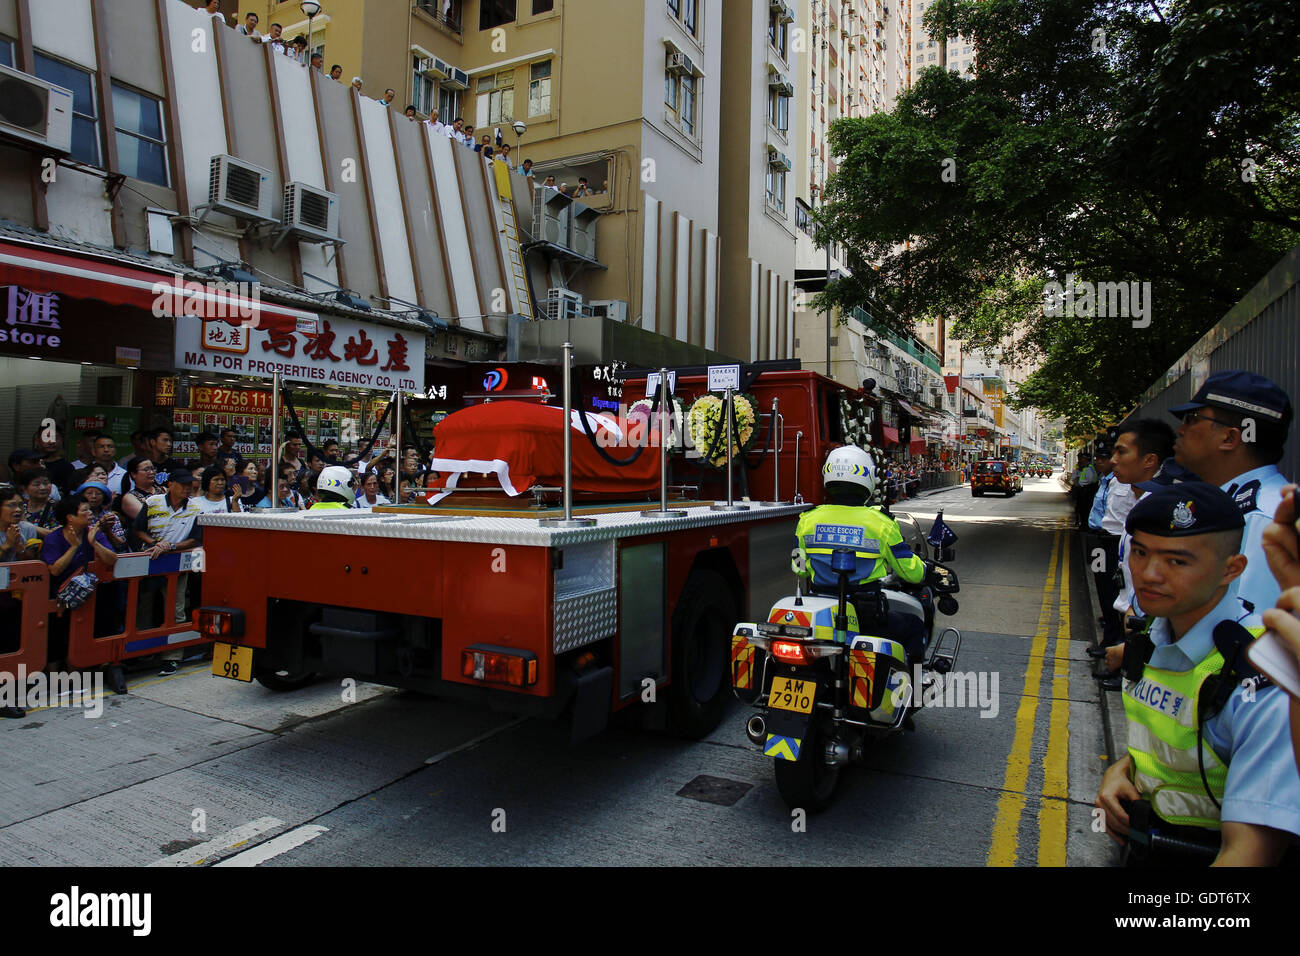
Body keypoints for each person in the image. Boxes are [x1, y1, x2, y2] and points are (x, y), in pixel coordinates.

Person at [1095, 481, 1300, 866]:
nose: (1149, 574)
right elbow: (1175, 737)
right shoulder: (1152, 636)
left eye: (1177, 561)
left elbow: (1248, 853)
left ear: (1231, 569)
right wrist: (1122, 769)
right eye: (1140, 552)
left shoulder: (1262, 674)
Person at [1170, 370, 1293, 628]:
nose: (1181, 429)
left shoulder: (1263, 519)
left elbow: (1246, 636)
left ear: (1229, 438)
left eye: (1192, 418)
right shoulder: (1231, 505)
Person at [791, 446, 928, 663]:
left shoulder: (807, 520)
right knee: (914, 626)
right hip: (866, 616)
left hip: (821, 615)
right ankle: (914, 689)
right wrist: (924, 570)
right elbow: (910, 572)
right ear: (868, 479)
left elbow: (799, 567)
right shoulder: (881, 523)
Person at [131, 468, 203, 674]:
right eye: (183, 485)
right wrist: (155, 544)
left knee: (175, 608)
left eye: (191, 486)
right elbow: (138, 529)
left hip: (176, 563)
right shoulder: (152, 502)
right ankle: (142, 652)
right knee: (144, 606)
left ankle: (172, 656)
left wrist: (170, 547)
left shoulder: (196, 508)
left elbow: (196, 538)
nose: (188, 489)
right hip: (149, 561)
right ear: (170, 485)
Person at [42, 493, 119, 668]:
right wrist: (75, 547)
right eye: (84, 510)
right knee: (59, 635)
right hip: (60, 596)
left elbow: (112, 559)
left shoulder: (92, 533)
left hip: (89, 594)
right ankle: (56, 676)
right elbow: (54, 569)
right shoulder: (53, 538)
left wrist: (94, 544)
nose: (90, 513)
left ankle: (84, 668)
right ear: (70, 517)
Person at [75, 479, 127, 552]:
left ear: (104, 497)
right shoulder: (77, 517)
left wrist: (108, 530)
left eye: (98, 494)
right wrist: (100, 526)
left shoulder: (111, 517)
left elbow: (120, 545)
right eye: (89, 493)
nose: (94, 496)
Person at [117, 456, 160, 524]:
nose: (151, 472)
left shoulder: (164, 490)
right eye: (146, 470)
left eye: (153, 468)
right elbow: (149, 519)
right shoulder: (129, 498)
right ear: (134, 474)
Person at [17, 467, 57, 537]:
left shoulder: (58, 507)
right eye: (36, 484)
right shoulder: (19, 507)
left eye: (46, 483)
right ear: (24, 488)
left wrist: (24, 524)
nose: (42, 487)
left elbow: (56, 535)